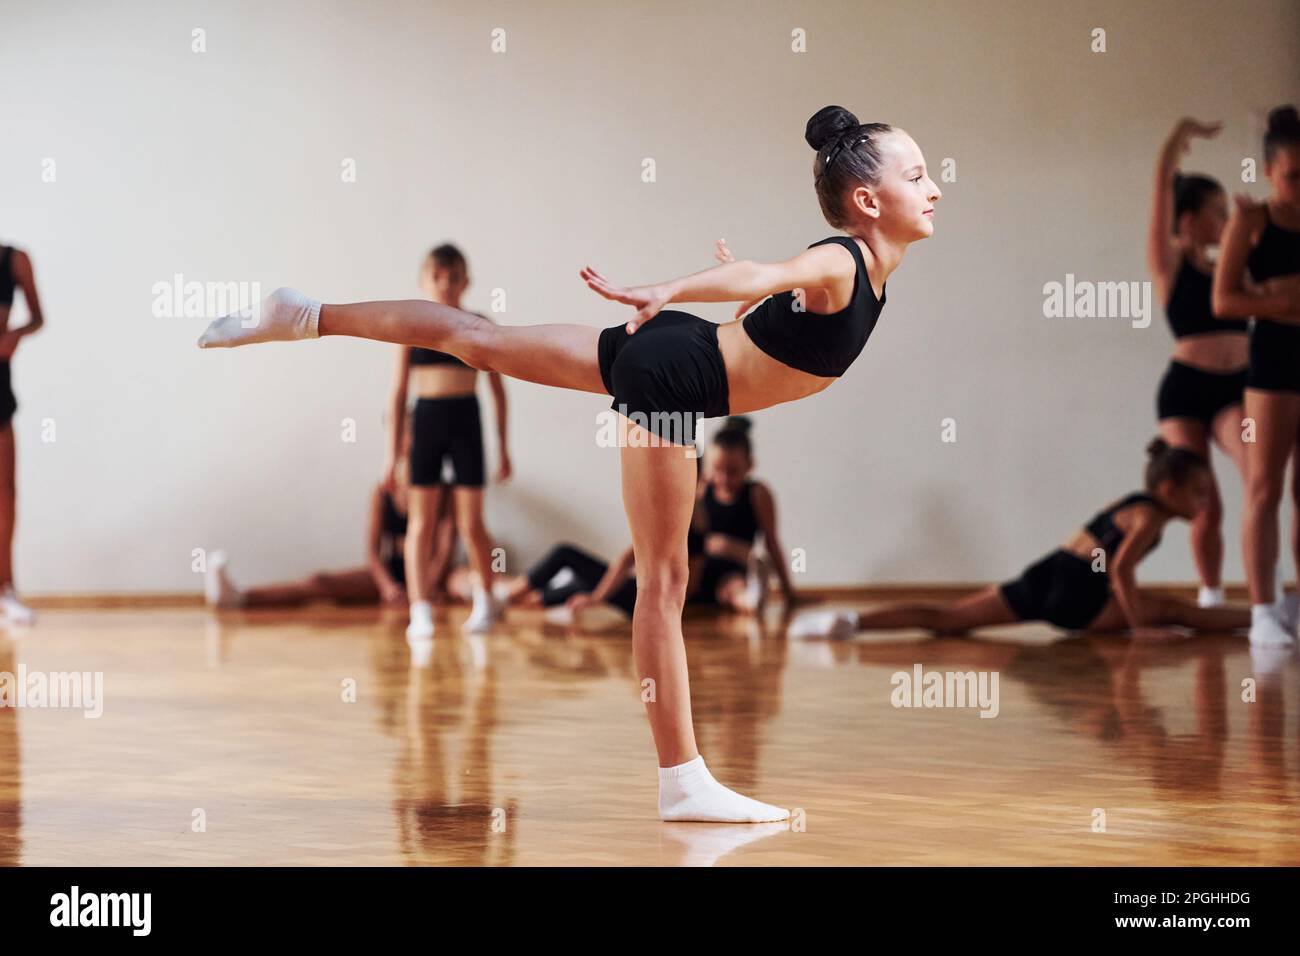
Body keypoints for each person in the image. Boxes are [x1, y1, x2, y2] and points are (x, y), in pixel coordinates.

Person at [199, 104, 938, 823]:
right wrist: (676, 288)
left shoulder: (863, 271)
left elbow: (761, 304)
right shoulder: (843, 259)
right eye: (918, 174)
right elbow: (760, 274)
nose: (934, 187)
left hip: (679, 350)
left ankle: (302, 315)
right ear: (869, 199)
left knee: (478, 339)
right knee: (665, 579)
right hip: (676, 376)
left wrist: (725, 301)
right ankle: (682, 781)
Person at [790, 440, 1250, 641]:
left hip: (1049, 572)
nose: (1206, 503)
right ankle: (1260, 620)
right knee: (1175, 609)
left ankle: (850, 623)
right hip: (1077, 596)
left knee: (949, 619)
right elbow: (1122, 569)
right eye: (1200, 493)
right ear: (1170, 489)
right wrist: (1139, 627)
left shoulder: (1134, 503)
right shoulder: (1149, 516)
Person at [388, 244, 512, 642]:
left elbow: (498, 391)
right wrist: (392, 458)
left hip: (465, 420)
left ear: (466, 282)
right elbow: (397, 394)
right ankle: (419, 607)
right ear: (425, 281)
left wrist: (504, 448)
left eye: (453, 278)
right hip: (426, 421)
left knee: (470, 522)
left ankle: (486, 598)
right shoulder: (410, 329)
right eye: (437, 277)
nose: (445, 285)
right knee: (420, 522)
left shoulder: (478, 325)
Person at [1147, 118, 1247, 607]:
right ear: (1189, 220)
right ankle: (1211, 595)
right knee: (1204, 498)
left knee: (1260, 478)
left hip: (1239, 388)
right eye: (1218, 211)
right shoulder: (1170, 264)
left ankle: (1267, 596)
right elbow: (1162, 190)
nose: (1227, 220)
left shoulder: (1237, 263)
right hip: (1186, 392)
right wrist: (1176, 139)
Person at [1211, 104, 1300, 646]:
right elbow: (1223, 299)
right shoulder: (1252, 221)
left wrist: (1284, 294)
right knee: (1264, 487)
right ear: (1269, 172)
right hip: (1273, 363)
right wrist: (1282, 302)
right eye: (1294, 176)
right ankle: (1263, 610)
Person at [0, 242, 44, 625]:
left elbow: (38, 317)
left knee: (5, 491)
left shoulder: (13, 260)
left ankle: (6, 589)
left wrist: (15, 335)